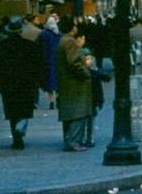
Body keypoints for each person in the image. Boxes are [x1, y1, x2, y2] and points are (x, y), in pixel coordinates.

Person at [0, 17, 43, 150]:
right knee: (25, 109)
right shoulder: (30, 45)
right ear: (20, 31)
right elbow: (37, 64)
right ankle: (20, 129)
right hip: (26, 82)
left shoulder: (2, 46)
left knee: (12, 111)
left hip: (8, 83)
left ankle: (15, 133)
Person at [56, 17, 92, 152]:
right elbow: (74, 62)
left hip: (66, 82)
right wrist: (86, 72)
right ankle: (74, 142)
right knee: (78, 112)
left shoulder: (62, 40)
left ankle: (69, 140)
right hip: (75, 83)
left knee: (69, 113)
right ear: (72, 28)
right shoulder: (70, 41)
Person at [82, 47, 110, 148]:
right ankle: (87, 138)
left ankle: (89, 139)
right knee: (87, 120)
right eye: (86, 59)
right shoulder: (90, 72)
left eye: (90, 59)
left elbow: (105, 79)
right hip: (87, 99)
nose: (89, 61)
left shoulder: (95, 71)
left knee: (90, 120)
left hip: (92, 99)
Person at [39, 15, 61, 109]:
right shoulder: (59, 34)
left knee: (49, 83)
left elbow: (40, 47)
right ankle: (58, 99)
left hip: (47, 60)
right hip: (57, 60)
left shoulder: (43, 34)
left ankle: (51, 101)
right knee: (58, 81)